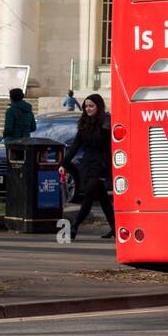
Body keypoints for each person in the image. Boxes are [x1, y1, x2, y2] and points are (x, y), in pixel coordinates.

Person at [64, 93, 115, 240]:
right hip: (88, 163)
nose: (88, 109)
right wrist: (64, 163)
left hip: (101, 164)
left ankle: (75, 225)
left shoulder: (106, 122)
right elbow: (75, 145)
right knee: (102, 197)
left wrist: (107, 164)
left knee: (89, 195)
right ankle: (114, 227)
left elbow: (110, 146)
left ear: (98, 107)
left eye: (91, 106)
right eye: (86, 106)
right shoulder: (84, 123)